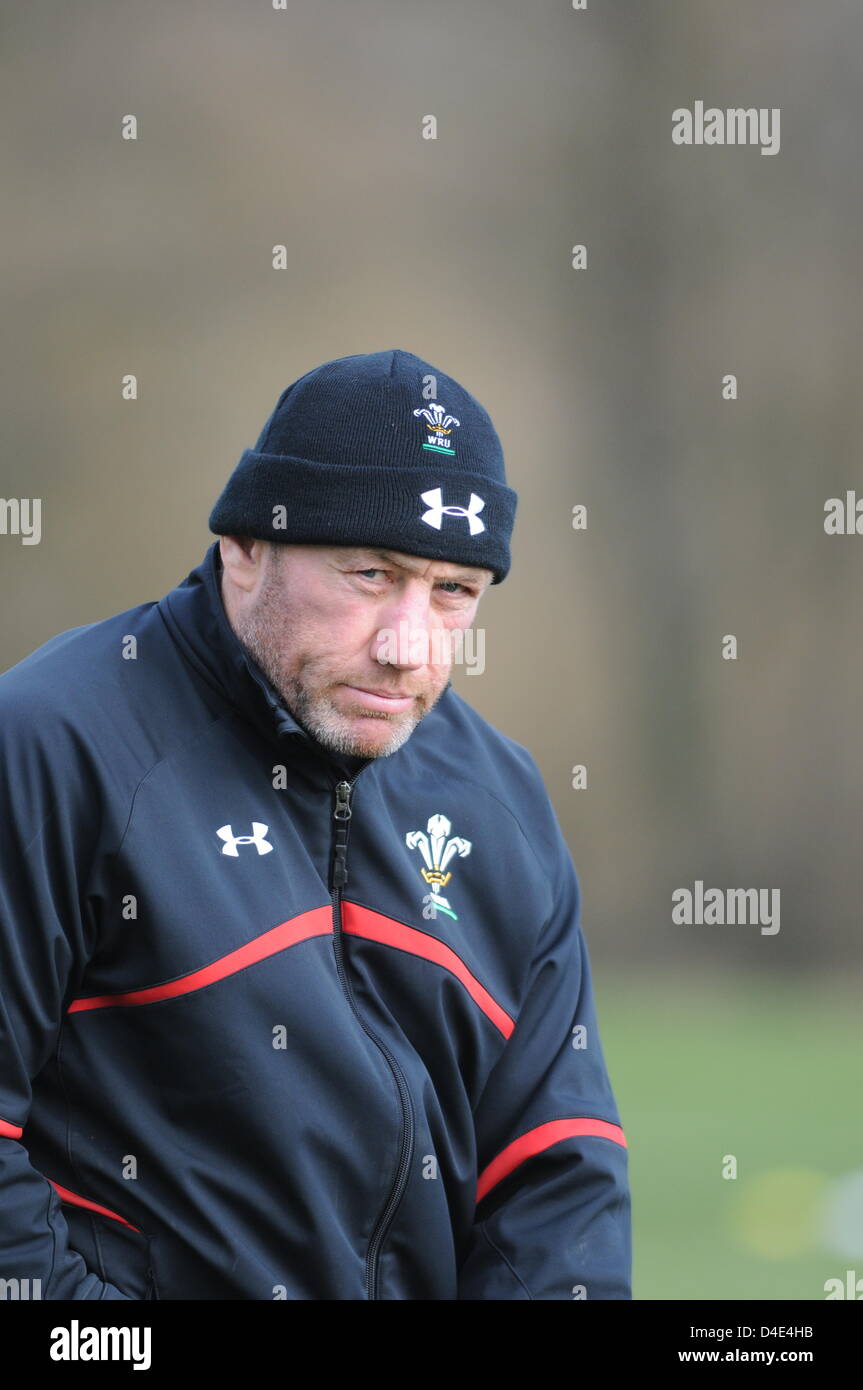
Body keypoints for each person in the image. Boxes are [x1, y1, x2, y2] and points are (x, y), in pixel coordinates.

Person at [0, 348, 631, 1300]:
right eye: (370, 574)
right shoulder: (54, 742)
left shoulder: (499, 801)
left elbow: (554, 1168)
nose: (406, 647)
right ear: (244, 546)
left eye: (452, 590)